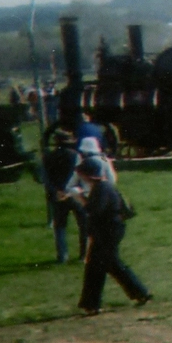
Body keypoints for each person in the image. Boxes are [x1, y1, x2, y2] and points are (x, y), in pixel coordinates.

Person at [74, 156, 151, 315]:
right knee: (111, 264)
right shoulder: (105, 186)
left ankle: (92, 304)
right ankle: (140, 293)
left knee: (97, 266)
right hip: (110, 230)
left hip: (107, 231)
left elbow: (95, 210)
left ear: (89, 175)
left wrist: (80, 199)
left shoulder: (101, 188)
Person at [42, 130, 83, 263]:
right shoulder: (75, 156)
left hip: (57, 194)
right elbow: (79, 175)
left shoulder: (48, 156)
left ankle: (62, 255)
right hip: (74, 193)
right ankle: (83, 254)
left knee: (60, 226)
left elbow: (46, 178)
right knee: (83, 224)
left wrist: (56, 191)